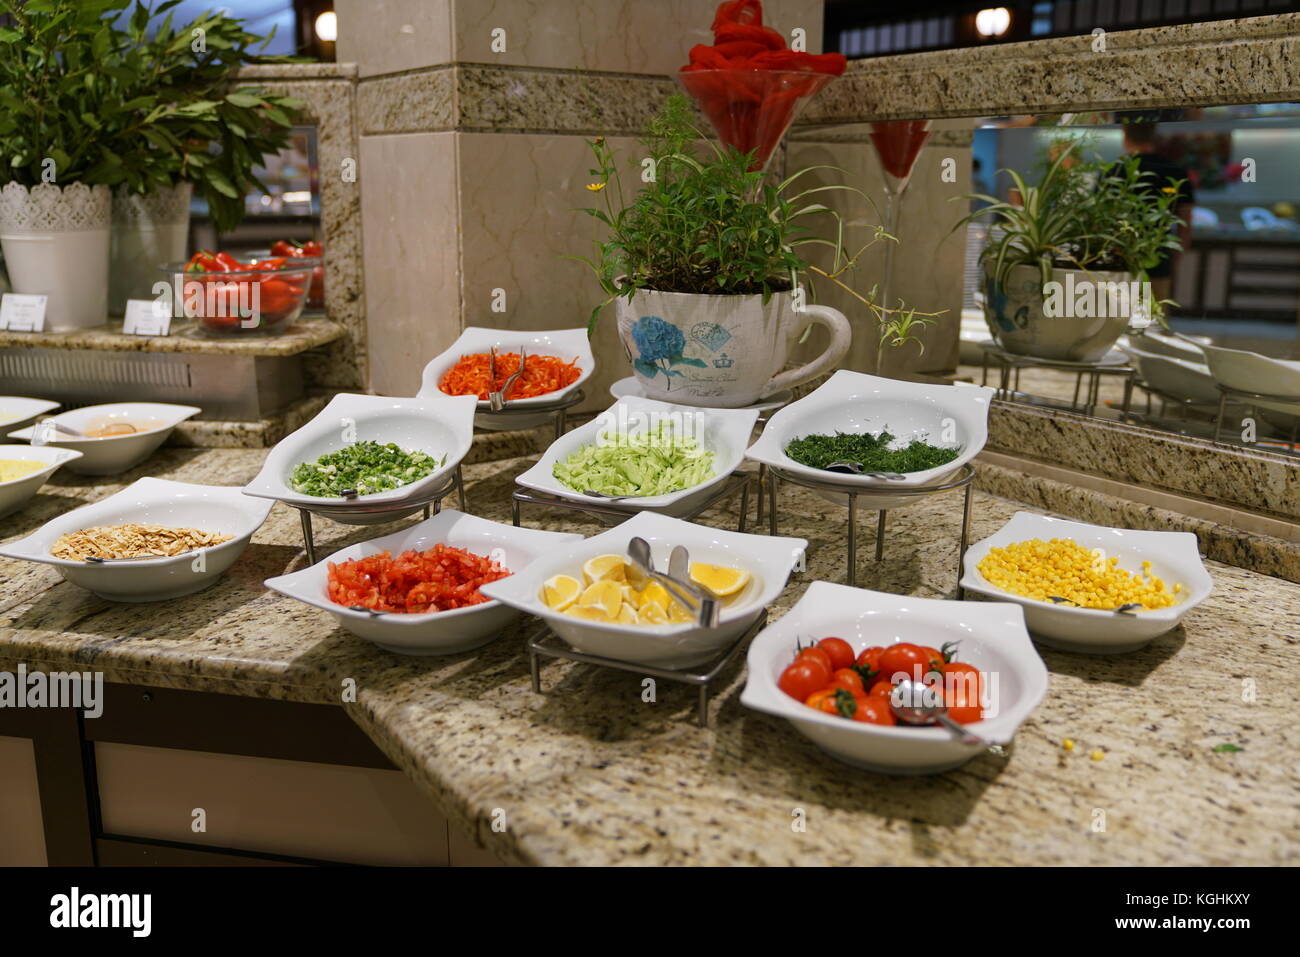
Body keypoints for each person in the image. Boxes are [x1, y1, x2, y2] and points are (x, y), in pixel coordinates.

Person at [1112, 117, 1195, 304]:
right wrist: (1176, 257)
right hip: (1159, 256)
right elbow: (1186, 223)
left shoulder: (1115, 171)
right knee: (1152, 319)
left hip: (1118, 260)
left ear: (1124, 134)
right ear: (1154, 134)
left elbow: (1101, 221)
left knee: (1117, 319)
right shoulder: (1174, 171)